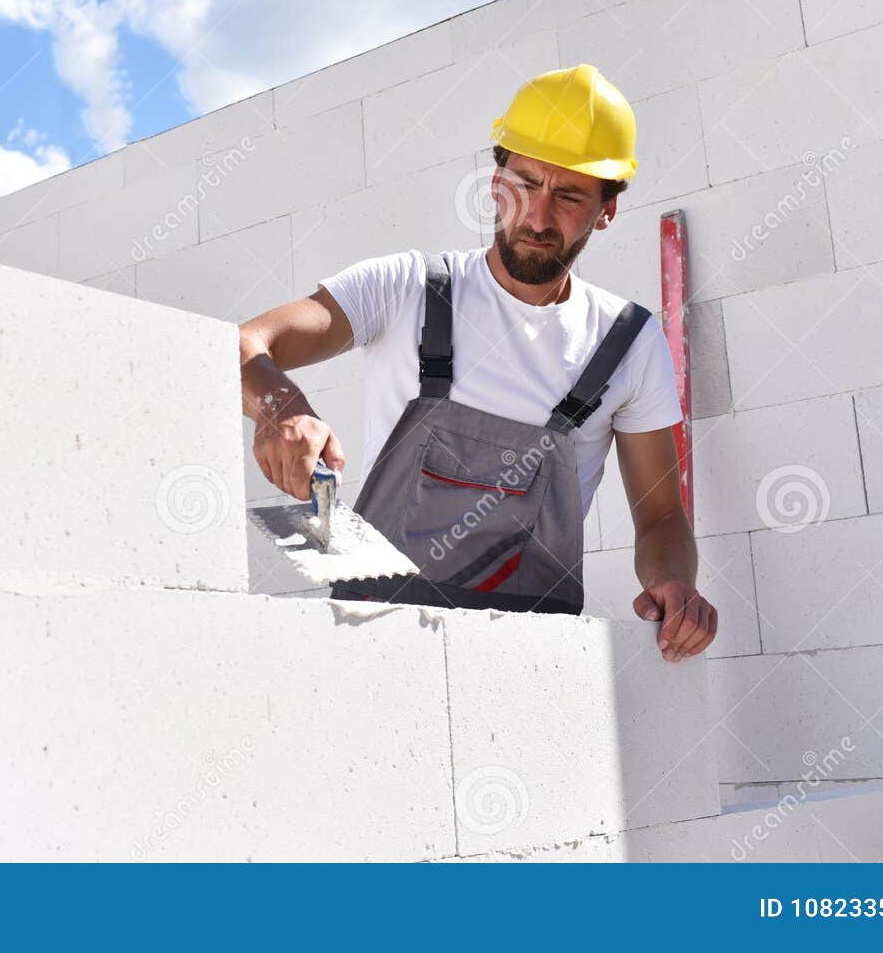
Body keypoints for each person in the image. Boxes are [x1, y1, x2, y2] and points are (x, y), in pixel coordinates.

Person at [237, 65, 717, 663]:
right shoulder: (404, 288)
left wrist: (674, 583)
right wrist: (280, 407)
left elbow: (662, 515)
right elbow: (247, 343)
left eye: (568, 197)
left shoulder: (627, 341)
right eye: (525, 183)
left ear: (607, 210)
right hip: (370, 645)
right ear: (495, 182)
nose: (538, 217)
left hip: (526, 660)